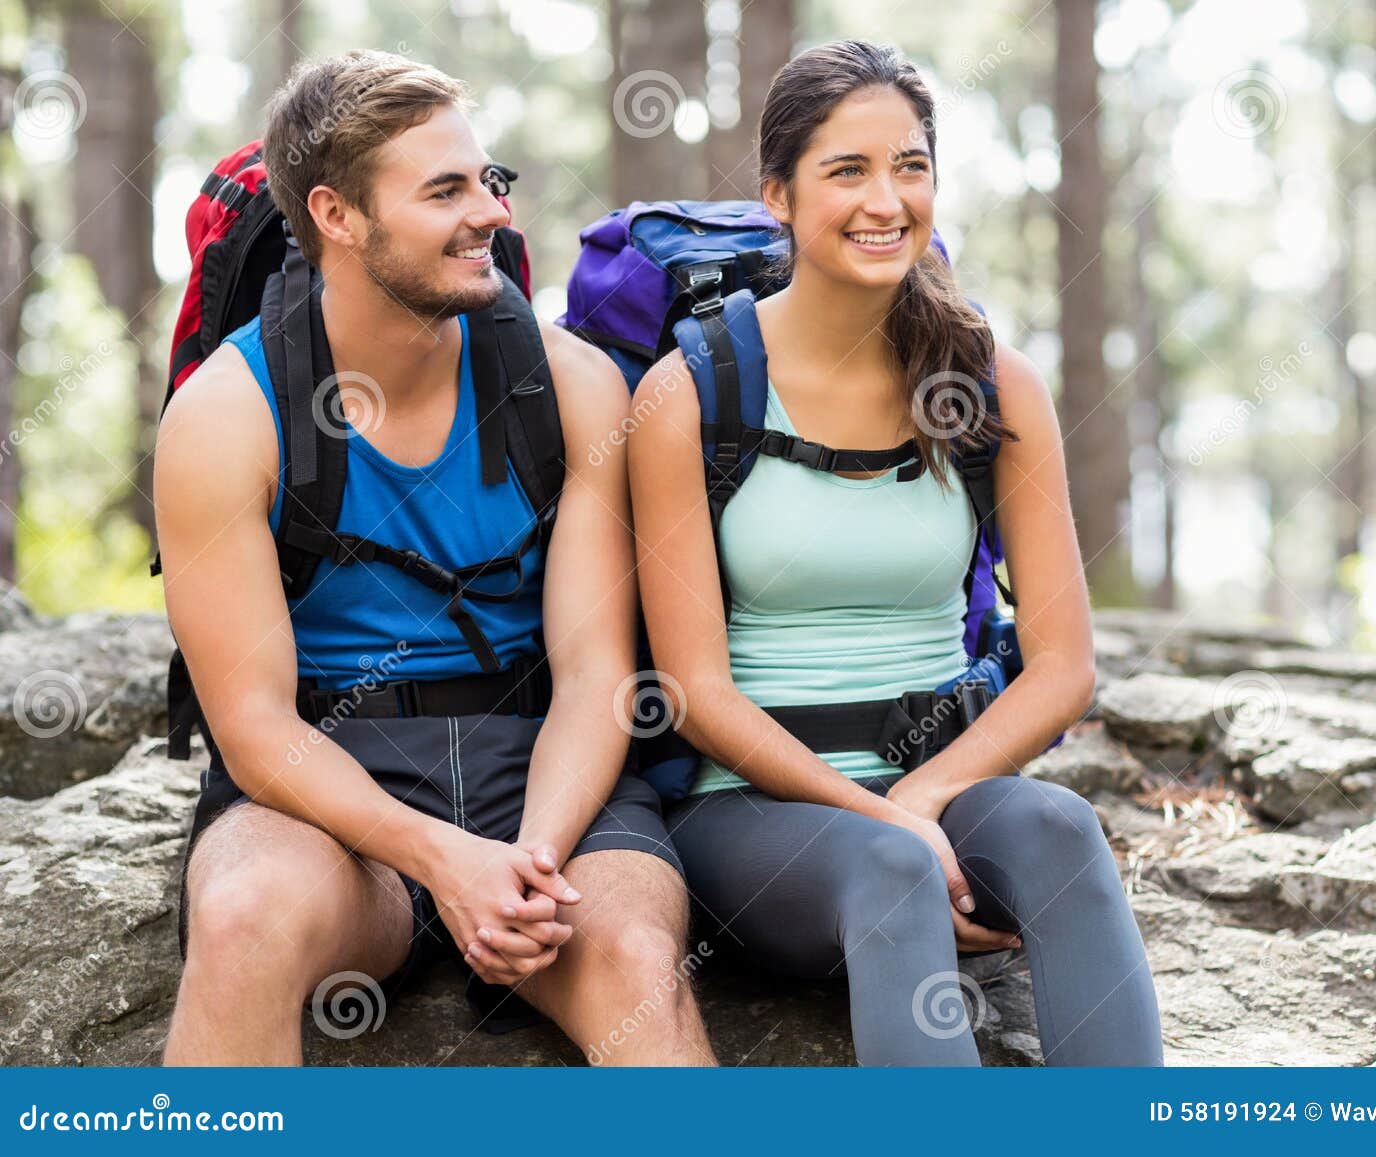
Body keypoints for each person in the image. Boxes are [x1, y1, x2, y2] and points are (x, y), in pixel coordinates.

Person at [156, 51, 713, 1066]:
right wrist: (442, 858)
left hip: (546, 775)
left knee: (634, 954)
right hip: (325, 789)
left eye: (488, 181)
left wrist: (529, 862)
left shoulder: (574, 385)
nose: (493, 212)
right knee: (244, 921)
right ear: (336, 215)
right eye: (446, 190)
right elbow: (253, 728)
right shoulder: (225, 418)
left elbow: (596, 674)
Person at [628, 40, 1164, 1066]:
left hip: (938, 778)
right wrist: (894, 829)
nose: (887, 199)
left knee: (1057, 829)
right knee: (889, 866)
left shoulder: (988, 380)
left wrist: (921, 799)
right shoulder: (687, 393)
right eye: (848, 170)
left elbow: (1063, 667)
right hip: (750, 814)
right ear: (777, 194)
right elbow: (696, 694)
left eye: (910, 166)